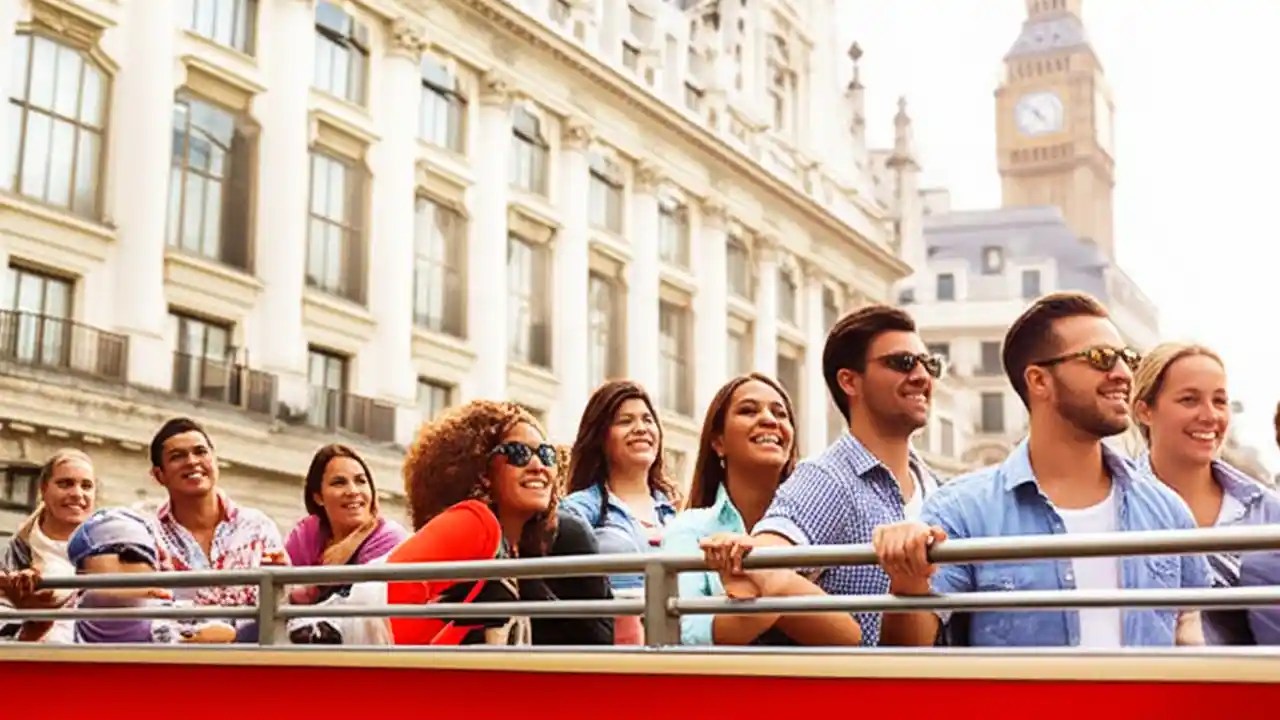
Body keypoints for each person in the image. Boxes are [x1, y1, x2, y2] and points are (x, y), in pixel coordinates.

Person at [873, 291, 1211, 648]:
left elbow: (1190, 638)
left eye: (1127, 359)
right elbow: (909, 653)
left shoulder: (1165, 510)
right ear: (1038, 381)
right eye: (1101, 358)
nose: (1124, 374)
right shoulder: (962, 510)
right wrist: (908, 578)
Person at [698, 305, 943, 646]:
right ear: (849, 381)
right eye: (903, 363)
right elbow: (769, 550)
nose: (921, 376)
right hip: (856, 679)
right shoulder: (828, 477)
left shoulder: (940, 489)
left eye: (930, 364)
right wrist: (748, 556)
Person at [388, 400, 612, 646]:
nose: (538, 466)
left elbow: (598, 638)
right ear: (483, 472)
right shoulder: (472, 522)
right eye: (518, 453)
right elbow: (384, 604)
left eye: (547, 455)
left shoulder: (549, 540)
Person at [663, 373, 861, 646]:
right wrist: (780, 590)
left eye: (780, 414)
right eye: (748, 410)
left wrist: (757, 585)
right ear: (718, 442)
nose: (769, 420)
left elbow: (850, 636)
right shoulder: (690, 529)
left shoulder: (825, 519)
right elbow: (685, 631)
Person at [1131, 343, 1280, 644]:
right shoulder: (1116, 504)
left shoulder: (1268, 512)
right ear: (1144, 410)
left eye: (1220, 401)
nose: (1210, 415)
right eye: (1189, 400)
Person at [146, 417, 286, 641]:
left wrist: (281, 583)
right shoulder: (148, 534)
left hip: (252, 654)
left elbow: (279, 605)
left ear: (215, 460)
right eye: (177, 456)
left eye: (200, 452)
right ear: (158, 475)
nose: (192, 462)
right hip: (178, 655)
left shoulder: (257, 527)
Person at [562, 380, 679, 643]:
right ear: (600, 438)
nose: (641, 429)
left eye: (648, 420)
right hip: (615, 652)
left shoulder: (673, 515)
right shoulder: (577, 510)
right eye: (625, 421)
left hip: (676, 649)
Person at [67, 508, 235, 644]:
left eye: (143, 553)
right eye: (117, 550)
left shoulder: (169, 606)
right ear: (82, 572)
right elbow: (99, 596)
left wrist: (192, 634)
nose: (134, 560)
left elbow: (224, 630)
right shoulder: (79, 609)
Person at [0, 449, 97, 642]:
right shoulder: (9, 556)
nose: (77, 494)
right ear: (43, 490)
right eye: (65, 484)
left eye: (86, 486)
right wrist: (33, 626)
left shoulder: (111, 553)